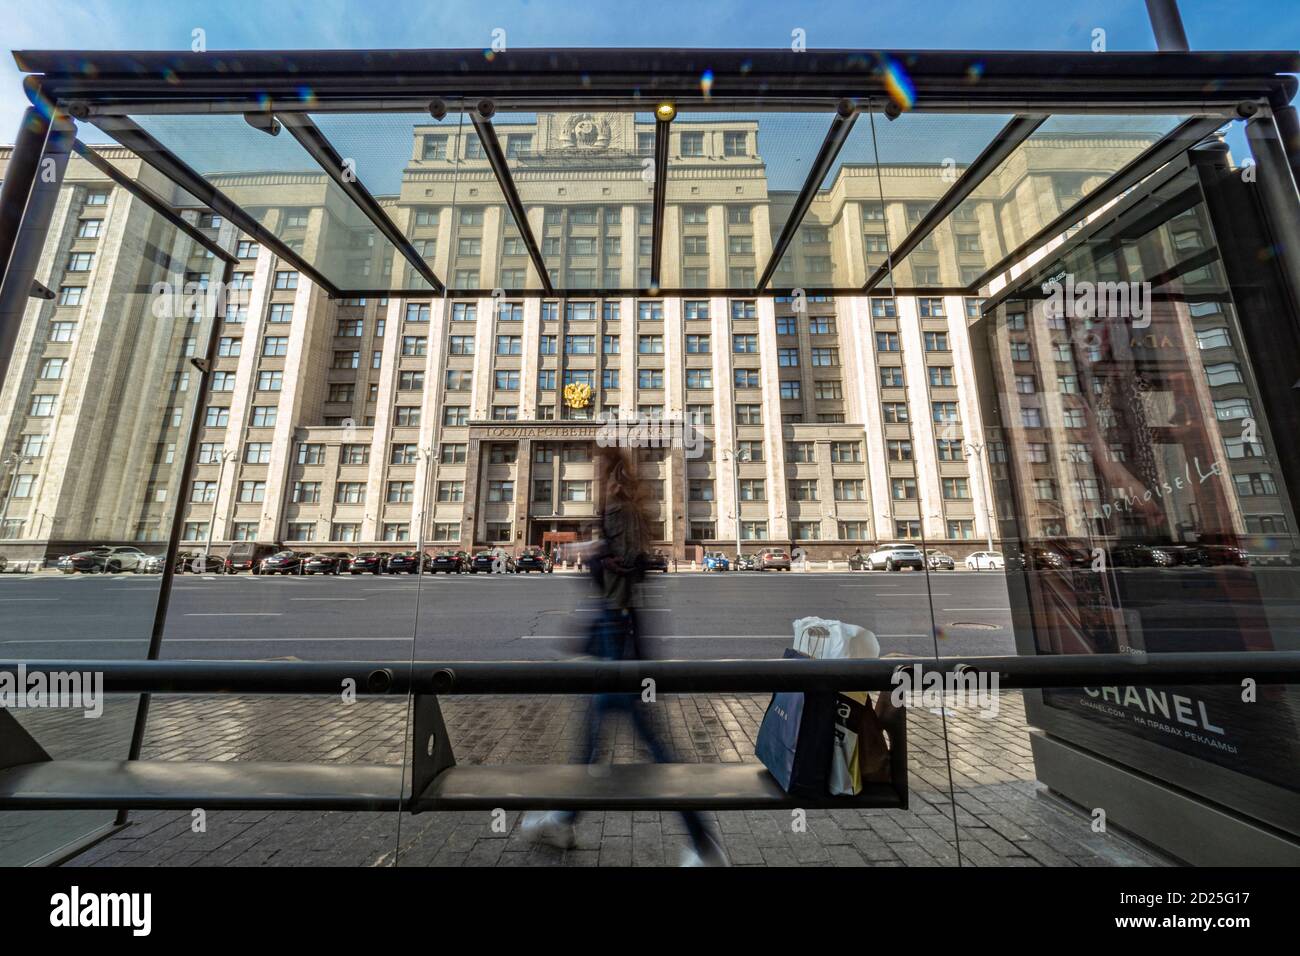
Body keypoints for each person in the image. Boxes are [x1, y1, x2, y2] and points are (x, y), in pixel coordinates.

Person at [521, 445, 728, 866]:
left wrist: (592, 556)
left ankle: (704, 846)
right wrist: (597, 554)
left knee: (646, 743)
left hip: (616, 631)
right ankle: (563, 819)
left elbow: (624, 566)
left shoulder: (617, 509)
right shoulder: (628, 509)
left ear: (609, 472)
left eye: (598, 470)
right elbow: (631, 562)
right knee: (597, 736)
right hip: (617, 630)